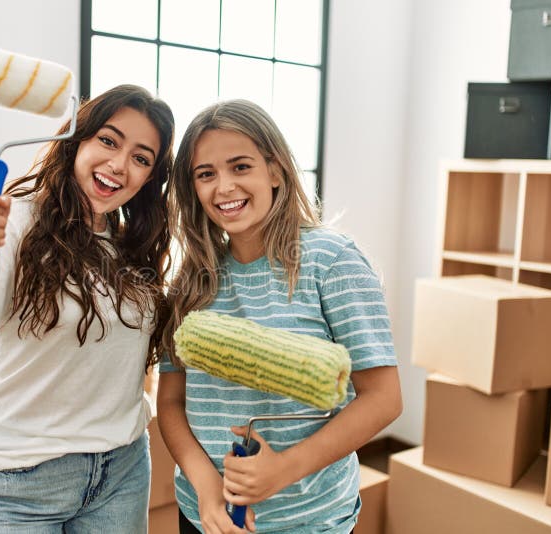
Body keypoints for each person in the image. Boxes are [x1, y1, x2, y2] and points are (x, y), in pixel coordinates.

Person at [0, 84, 175, 533]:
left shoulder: (135, 246)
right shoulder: (16, 223)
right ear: (75, 139)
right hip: (19, 481)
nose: (119, 165)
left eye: (141, 158)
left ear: (149, 177)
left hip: (122, 472)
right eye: (108, 140)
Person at [157, 99, 402, 534]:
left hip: (307, 521)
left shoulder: (333, 262)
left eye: (240, 167)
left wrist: (282, 470)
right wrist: (207, 486)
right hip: (205, 514)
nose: (224, 186)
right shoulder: (191, 281)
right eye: (206, 174)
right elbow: (172, 402)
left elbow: (383, 397)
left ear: (274, 171)